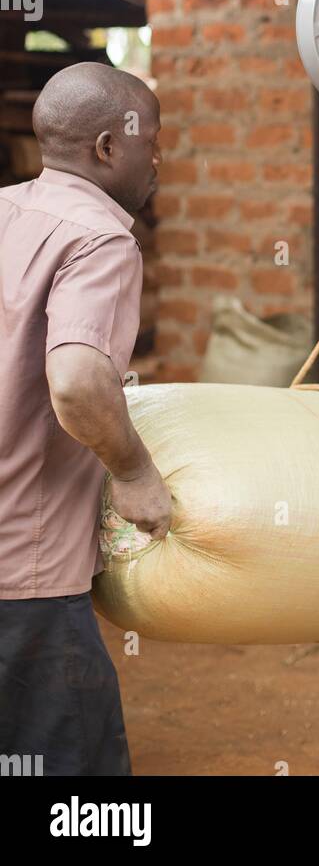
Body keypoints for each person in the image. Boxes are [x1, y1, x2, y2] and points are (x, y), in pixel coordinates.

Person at [0, 62, 172, 776]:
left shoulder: (6, 209)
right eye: (151, 141)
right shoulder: (100, 237)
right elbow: (75, 381)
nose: (159, 157)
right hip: (25, 581)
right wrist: (134, 471)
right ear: (108, 147)